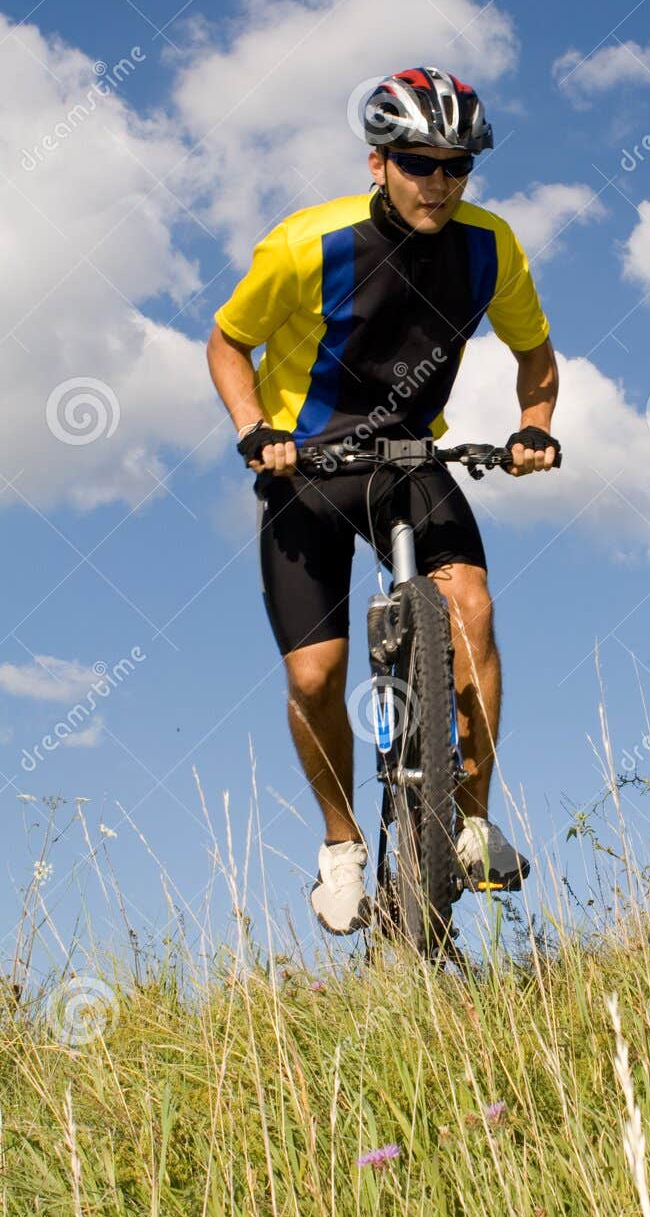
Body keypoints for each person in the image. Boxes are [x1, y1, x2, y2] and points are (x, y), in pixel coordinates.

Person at [205, 66, 561, 935]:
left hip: (407, 458)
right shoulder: (303, 243)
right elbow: (227, 342)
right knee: (313, 673)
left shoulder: (491, 246)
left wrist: (533, 425)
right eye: (417, 163)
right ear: (378, 163)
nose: (437, 182)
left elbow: (536, 352)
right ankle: (340, 844)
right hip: (306, 469)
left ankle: (470, 823)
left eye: (455, 166)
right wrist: (256, 430)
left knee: (468, 606)